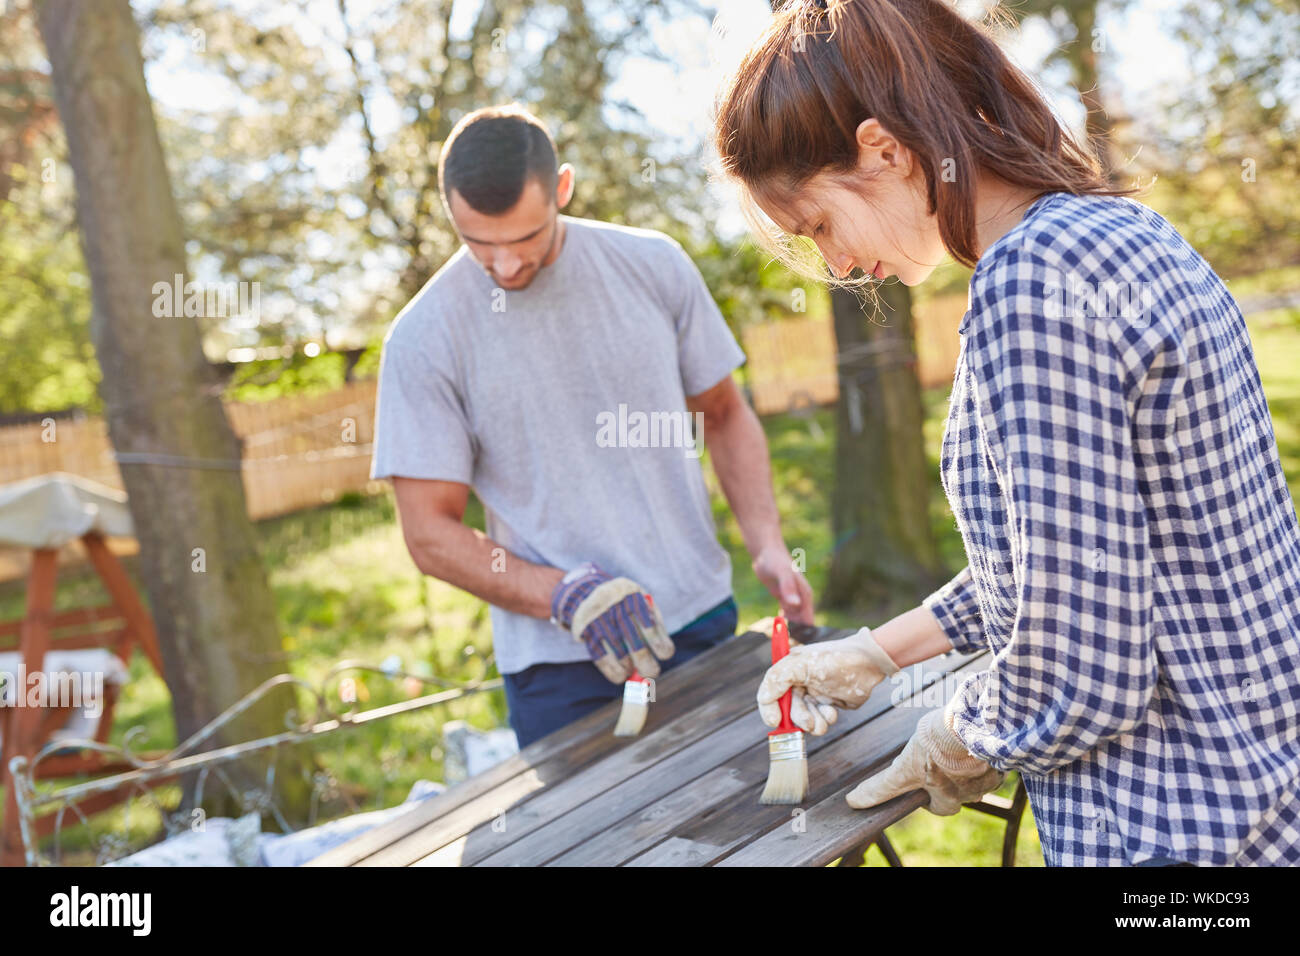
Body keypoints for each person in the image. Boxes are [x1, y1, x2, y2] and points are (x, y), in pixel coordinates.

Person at [719, 0, 1300, 866]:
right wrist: (878, 651)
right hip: (1259, 787)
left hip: (1173, 828)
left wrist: (966, 734)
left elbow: (1085, 666)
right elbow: (1077, 557)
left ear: (885, 151)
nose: (836, 266)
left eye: (819, 226)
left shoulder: (1029, 288)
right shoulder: (1115, 231)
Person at [370, 104, 813, 748]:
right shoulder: (423, 337)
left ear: (564, 189)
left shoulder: (653, 265)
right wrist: (565, 595)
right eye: (477, 243)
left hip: (693, 619)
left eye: (524, 239)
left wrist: (768, 542)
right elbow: (428, 533)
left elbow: (723, 414)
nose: (503, 267)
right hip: (558, 669)